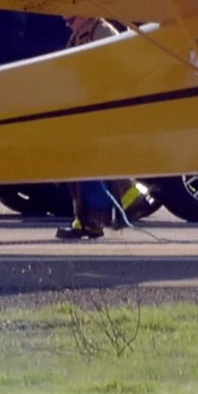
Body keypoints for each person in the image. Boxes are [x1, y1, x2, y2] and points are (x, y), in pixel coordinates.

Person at [55, 15, 154, 240]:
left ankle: (130, 202)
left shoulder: (102, 32)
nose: (66, 19)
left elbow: (119, 70)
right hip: (85, 112)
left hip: (104, 110)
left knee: (96, 162)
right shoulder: (76, 38)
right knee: (82, 167)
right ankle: (89, 221)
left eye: (72, 15)